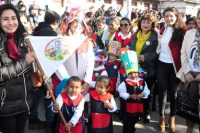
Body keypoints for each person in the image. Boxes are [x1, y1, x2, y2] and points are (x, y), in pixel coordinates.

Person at [0, 4, 35, 133]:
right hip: (5, 107)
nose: (11, 23)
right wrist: (25, 61)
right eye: (5, 19)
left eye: (13, 18)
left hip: (25, 103)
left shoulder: (23, 39)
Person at [29, 10, 61, 132]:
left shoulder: (36, 31)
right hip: (48, 71)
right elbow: (55, 56)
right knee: (49, 98)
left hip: (35, 72)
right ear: (56, 22)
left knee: (35, 99)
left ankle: (33, 120)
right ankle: (49, 125)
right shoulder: (52, 34)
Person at [156, 7, 187, 132]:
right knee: (161, 92)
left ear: (176, 16)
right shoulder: (163, 29)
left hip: (175, 66)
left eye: (171, 15)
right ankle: (162, 117)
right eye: (167, 16)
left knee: (173, 94)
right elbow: (159, 45)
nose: (169, 18)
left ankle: (172, 118)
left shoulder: (182, 31)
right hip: (161, 64)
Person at [130, 13, 158, 123]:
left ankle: (146, 113)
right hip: (134, 68)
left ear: (152, 24)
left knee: (145, 92)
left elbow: (158, 53)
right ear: (140, 23)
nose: (145, 24)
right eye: (143, 22)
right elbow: (131, 47)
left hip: (148, 69)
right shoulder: (135, 34)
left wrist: (145, 57)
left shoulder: (155, 36)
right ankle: (136, 112)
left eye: (148, 22)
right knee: (135, 90)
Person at [177, 9, 200, 133]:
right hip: (191, 74)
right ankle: (189, 129)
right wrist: (187, 72)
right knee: (190, 104)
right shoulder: (189, 33)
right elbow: (183, 53)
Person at [117, 51, 150, 133]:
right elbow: (120, 91)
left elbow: (147, 91)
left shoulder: (142, 82)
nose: (133, 75)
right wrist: (129, 96)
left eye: (135, 72)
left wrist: (143, 94)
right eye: (131, 73)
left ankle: (132, 129)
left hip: (138, 108)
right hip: (127, 109)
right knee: (127, 124)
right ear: (128, 74)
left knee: (133, 122)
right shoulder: (125, 82)